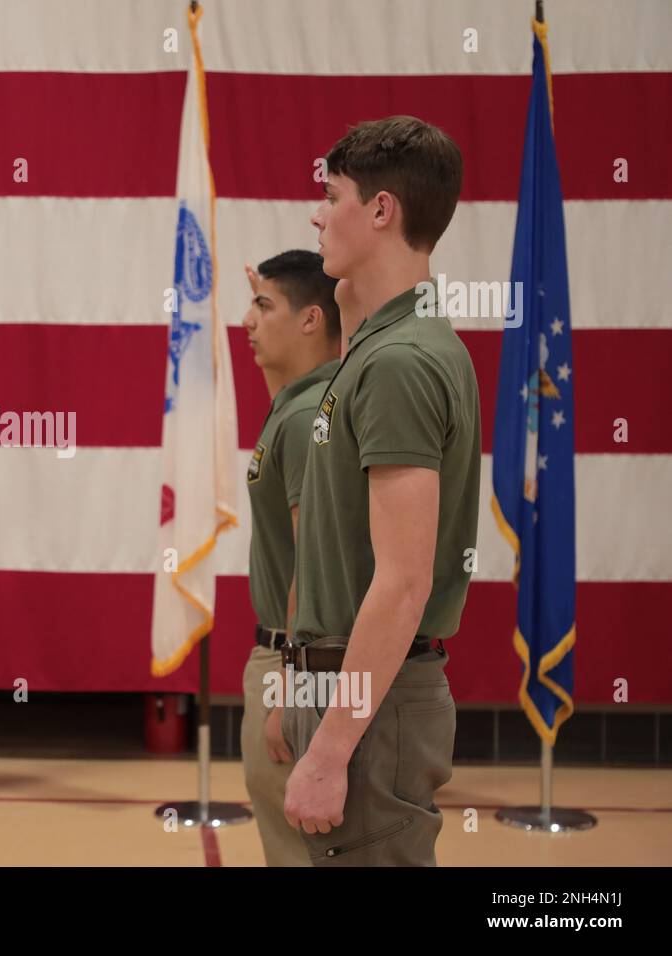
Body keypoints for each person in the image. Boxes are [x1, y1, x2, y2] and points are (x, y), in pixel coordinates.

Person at [283, 116, 480, 865]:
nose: (315, 212)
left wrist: (332, 751)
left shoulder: (399, 362)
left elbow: (402, 583)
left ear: (381, 210)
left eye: (330, 194)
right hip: (354, 691)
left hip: (370, 702)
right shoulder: (384, 344)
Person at [239, 250, 341, 866]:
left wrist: (291, 690)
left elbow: (314, 556)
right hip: (293, 658)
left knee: (298, 850)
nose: (248, 321)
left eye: (263, 306)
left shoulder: (306, 418)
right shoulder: (300, 406)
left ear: (310, 320)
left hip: (293, 658)